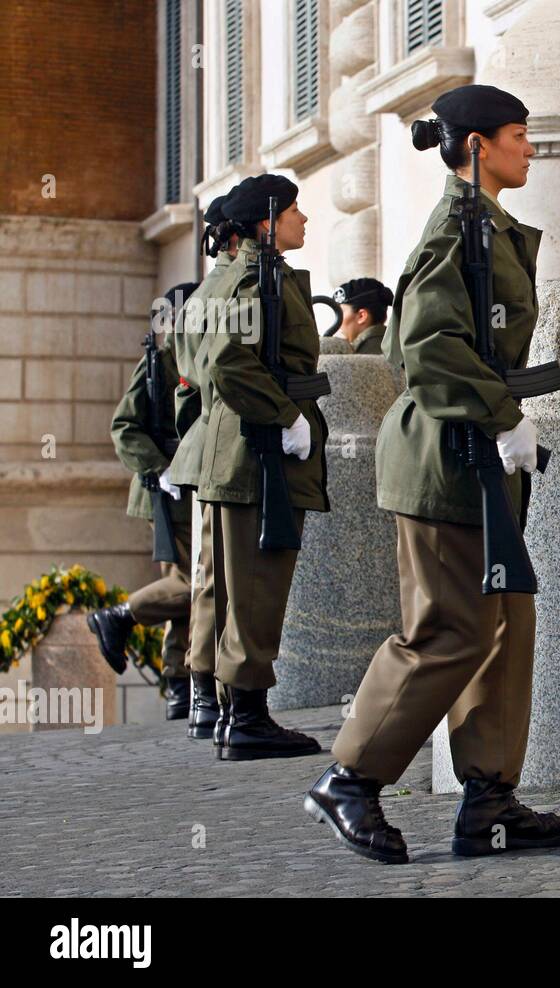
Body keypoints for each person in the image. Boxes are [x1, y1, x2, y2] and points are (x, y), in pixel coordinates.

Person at [304, 84, 560, 864]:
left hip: (479, 457)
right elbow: (421, 350)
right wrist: (504, 415)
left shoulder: (486, 227)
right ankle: (350, 778)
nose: (529, 148)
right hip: (446, 458)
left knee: (501, 627)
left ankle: (488, 802)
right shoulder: (455, 231)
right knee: (448, 631)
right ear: (479, 146)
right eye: (519, 135)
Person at [196, 173, 330, 761]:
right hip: (256, 453)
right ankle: (246, 719)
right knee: (257, 588)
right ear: (266, 222)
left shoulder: (258, 274)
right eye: (296, 211)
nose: (305, 221)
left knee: (246, 587)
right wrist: (284, 418)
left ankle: (238, 715)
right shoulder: (256, 276)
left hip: (247, 449)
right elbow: (230, 361)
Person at [88, 281, 200, 720]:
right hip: (166, 488)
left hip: (186, 484)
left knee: (184, 592)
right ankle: (118, 616)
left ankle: (178, 683)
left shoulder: (190, 354)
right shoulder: (162, 360)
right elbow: (124, 426)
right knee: (194, 585)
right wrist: (160, 468)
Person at [170, 191, 240, 743]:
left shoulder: (197, 296)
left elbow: (185, 387)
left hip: (202, 438)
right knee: (218, 578)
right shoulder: (226, 289)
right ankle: (207, 693)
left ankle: (204, 696)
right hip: (224, 439)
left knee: (209, 576)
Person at [332, 278, 394, 355]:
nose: (336, 321)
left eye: (340, 313)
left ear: (361, 316)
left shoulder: (355, 356)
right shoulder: (394, 346)